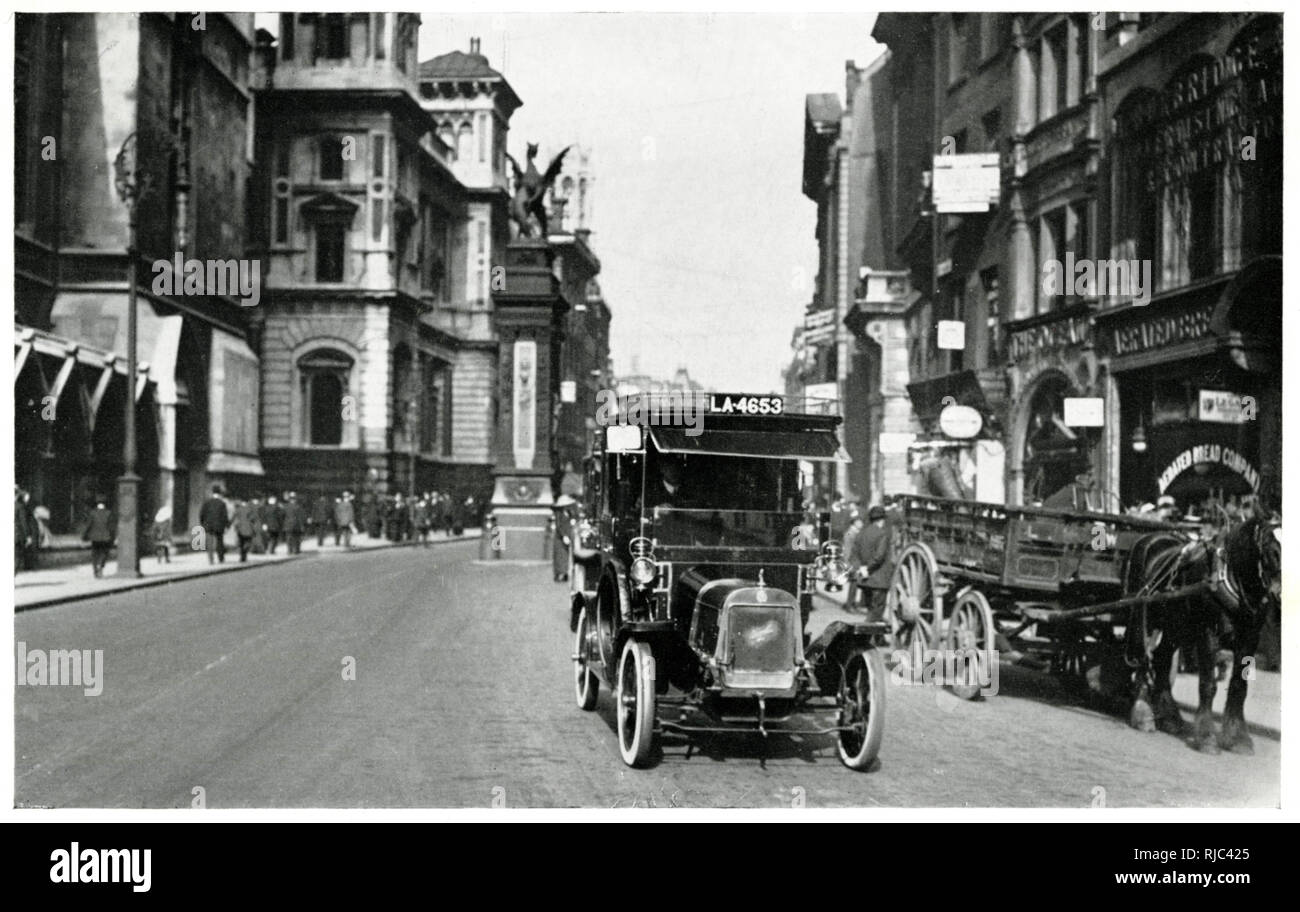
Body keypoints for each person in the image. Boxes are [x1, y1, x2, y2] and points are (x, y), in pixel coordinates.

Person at [851, 505, 894, 624]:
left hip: (865, 580)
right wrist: (868, 568)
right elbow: (879, 557)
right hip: (879, 580)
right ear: (882, 520)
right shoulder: (882, 534)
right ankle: (866, 635)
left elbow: (854, 555)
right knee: (876, 611)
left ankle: (878, 638)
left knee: (871, 609)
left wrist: (861, 568)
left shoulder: (861, 534)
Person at [82, 498, 116, 577]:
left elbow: (89, 525)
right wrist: (113, 537)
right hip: (105, 537)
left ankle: (95, 570)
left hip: (95, 537)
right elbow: (111, 527)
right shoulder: (108, 513)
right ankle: (101, 565)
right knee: (104, 553)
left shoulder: (93, 513)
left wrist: (84, 535)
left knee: (94, 554)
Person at [841, 512, 865, 612]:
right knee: (853, 584)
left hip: (857, 561)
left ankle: (851, 603)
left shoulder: (856, 533)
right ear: (854, 522)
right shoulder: (850, 533)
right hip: (852, 562)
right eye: (859, 522)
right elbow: (847, 550)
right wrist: (847, 564)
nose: (862, 524)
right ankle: (849, 605)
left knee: (855, 583)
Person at [199, 485, 229, 564]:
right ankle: (220, 558)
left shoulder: (207, 503)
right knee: (219, 542)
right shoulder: (222, 503)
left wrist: (203, 523)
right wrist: (226, 525)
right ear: (219, 493)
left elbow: (202, 514)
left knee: (209, 543)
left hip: (208, 525)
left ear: (212, 492)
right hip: (219, 525)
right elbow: (225, 516)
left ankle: (211, 559)